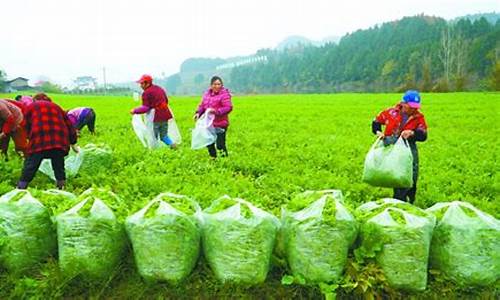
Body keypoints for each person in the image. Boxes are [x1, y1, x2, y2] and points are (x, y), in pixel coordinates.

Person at [371, 90, 428, 204]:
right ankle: (399, 202)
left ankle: (408, 200)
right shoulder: (391, 112)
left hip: (408, 148)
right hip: (391, 146)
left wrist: (412, 133)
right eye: (411, 106)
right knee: (395, 173)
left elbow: (423, 135)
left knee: (410, 174)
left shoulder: (418, 117)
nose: (413, 109)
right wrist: (378, 132)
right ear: (403, 103)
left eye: (415, 107)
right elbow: (376, 122)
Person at [17, 93, 78, 190]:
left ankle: (20, 188)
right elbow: (69, 126)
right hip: (59, 140)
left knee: (31, 165)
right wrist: (73, 141)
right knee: (58, 165)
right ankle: (61, 188)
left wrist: (29, 137)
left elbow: (24, 124)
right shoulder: (57, 107)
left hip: (39, 140)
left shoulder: (31, 106)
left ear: (35, 100)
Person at [130, 74, 177, 149]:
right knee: (164, 136)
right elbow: (166, 100)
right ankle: (173, 146)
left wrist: (135, 110)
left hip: (155, 117)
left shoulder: (146, 93)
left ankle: (154, 152)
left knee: (152, 136)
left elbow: (146, 108)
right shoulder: (159, 89)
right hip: (165, 114)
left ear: (147, 83)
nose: (140, 85)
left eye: (142, 83)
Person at [194, 76, 233, 158]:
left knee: (220, 145)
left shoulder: (224, 94)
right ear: (211, 85)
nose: (217, 86)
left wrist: (216, 111)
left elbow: (228, 107)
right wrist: (198, 113)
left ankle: (225, 159)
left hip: (220, 123)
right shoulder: (206, 94)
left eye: (219, 84)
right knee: (209, 143)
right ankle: (213, 159)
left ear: (222, 85)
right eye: (215, 84)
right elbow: (202, 105)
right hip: (209, 124)